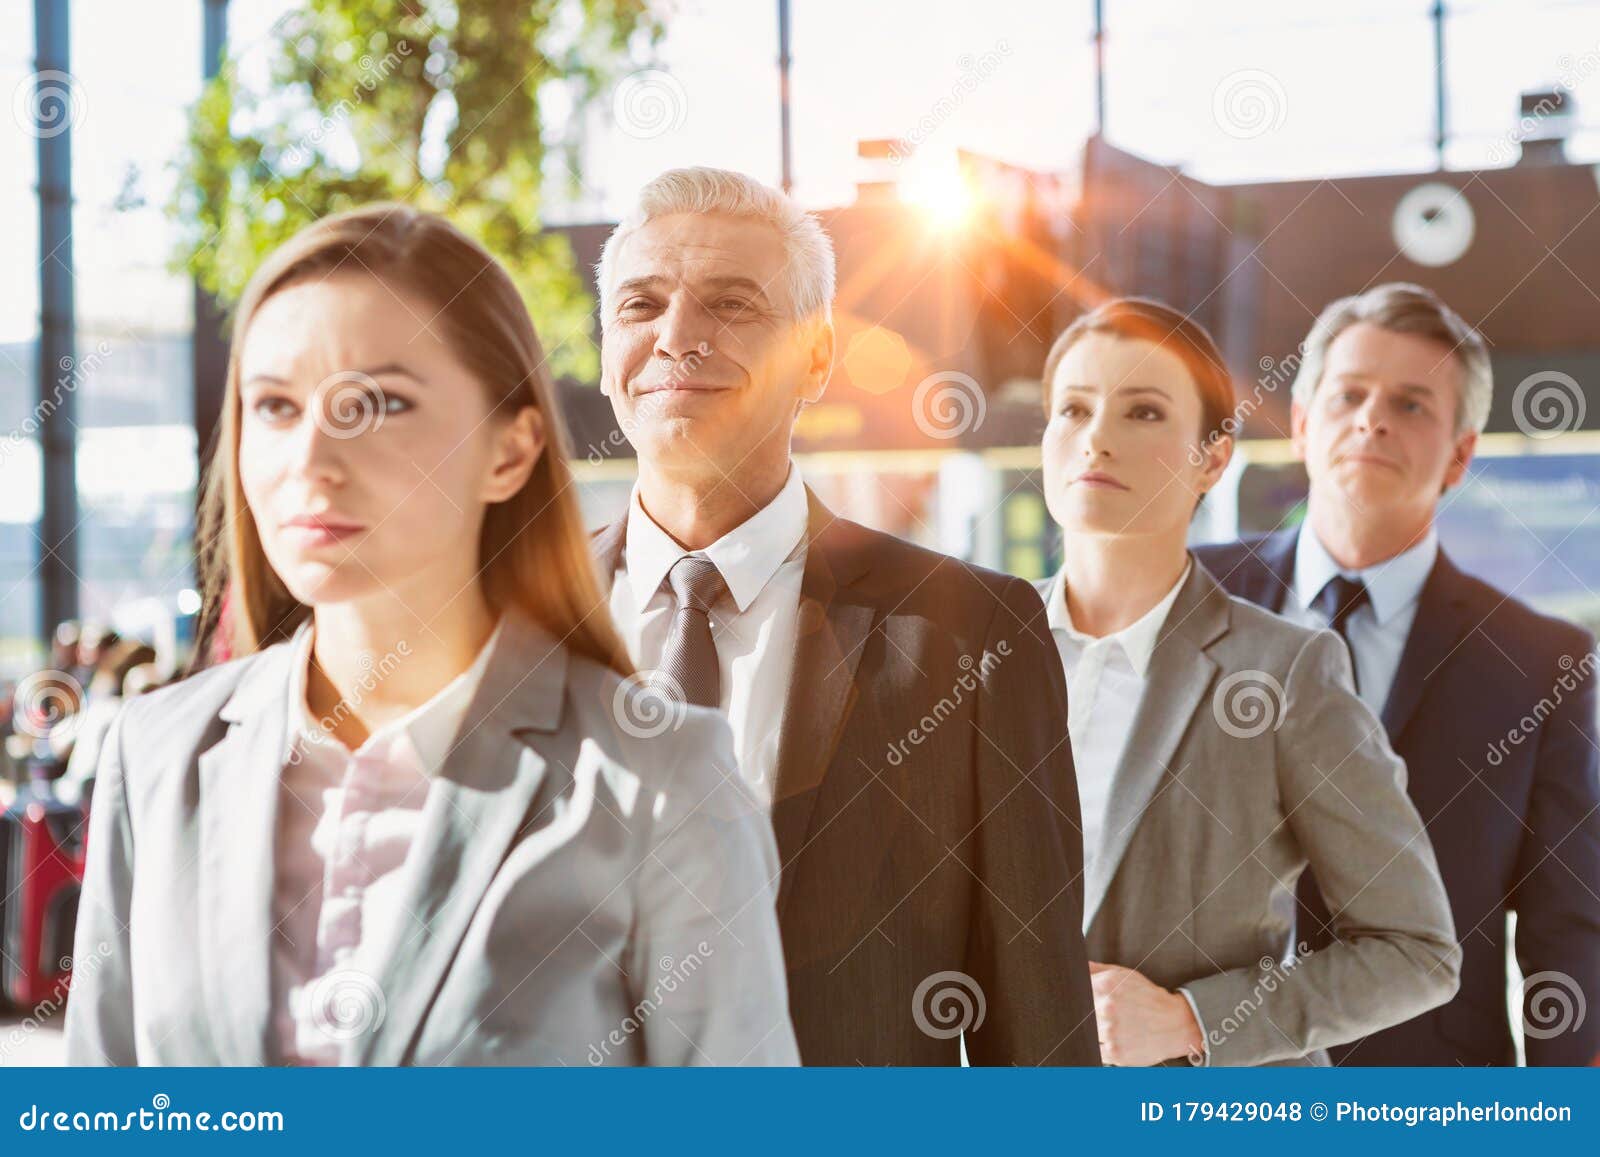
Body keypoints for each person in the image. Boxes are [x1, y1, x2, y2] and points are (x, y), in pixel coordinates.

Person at [64, 204, 797, 1067]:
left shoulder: (663, 781)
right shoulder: (155, 755)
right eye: (273, 406)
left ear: (510, 450)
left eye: (376, 403)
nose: (310, 460)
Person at [590, 166, 1099, 1065]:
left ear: (816, 359)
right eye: (641, 305)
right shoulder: (500, 621)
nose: (677, 337)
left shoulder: (971, 634)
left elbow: (1042, 1020)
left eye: (731, 304)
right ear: (604, 353)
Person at [1038, 297, 1460, 1065]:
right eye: (1072, 408)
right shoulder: (976, 651)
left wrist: (1193, 1021)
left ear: (1212, 457)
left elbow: (1417, 950)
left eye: (1142, 412)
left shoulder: (1285, 672)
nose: (1095, 438)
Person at [1196, 282, 1600, 1065]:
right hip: (1203, 1081)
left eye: (1412, 404)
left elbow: (1569, 926)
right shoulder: (1189, 598)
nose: (1372, 419)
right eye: (1349, 394)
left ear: (1460, 453)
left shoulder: (1543, 663)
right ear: (1305, 425)